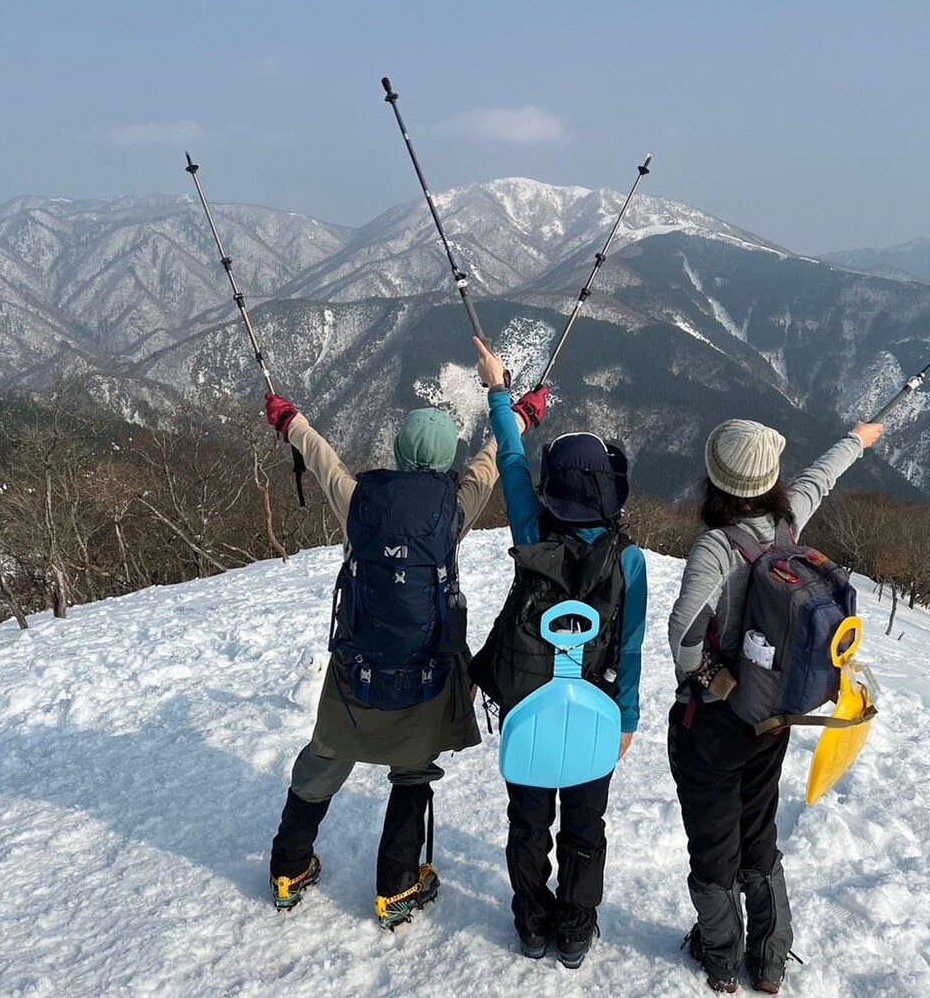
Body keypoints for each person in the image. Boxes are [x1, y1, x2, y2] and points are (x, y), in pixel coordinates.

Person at [264, 362, 537, 929]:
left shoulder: (359, 500)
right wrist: (520, 416)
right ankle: (396, 888)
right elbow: (490, 465)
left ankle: (288, 870)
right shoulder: (452, 509)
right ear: (444, 457)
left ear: (398, 450)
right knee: (412, 770)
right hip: (425, 667)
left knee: (325, 757)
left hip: (356, 663)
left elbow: (322, 460)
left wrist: (289, 420)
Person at [667, 417, 883, 993]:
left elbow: (683, 635)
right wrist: (858, 440)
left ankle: (720, 958)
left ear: (715, 479)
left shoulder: (717, 546)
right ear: (770, 480)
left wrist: (716, 683)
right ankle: (768, 958)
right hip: (773, 718)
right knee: (758, 830)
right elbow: (819, 479)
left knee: (714, 842)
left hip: (715, 724)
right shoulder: (786, 526)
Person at [471, 338, 648, 970]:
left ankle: (531, 922)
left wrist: (499, 390)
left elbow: (511, 457)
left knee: (527, 820)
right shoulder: (629, 561)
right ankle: (574, 930)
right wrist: (626, 719)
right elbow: (630, 646)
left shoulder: (531, 532)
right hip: (595, 709)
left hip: (528, 705)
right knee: (584, 824)